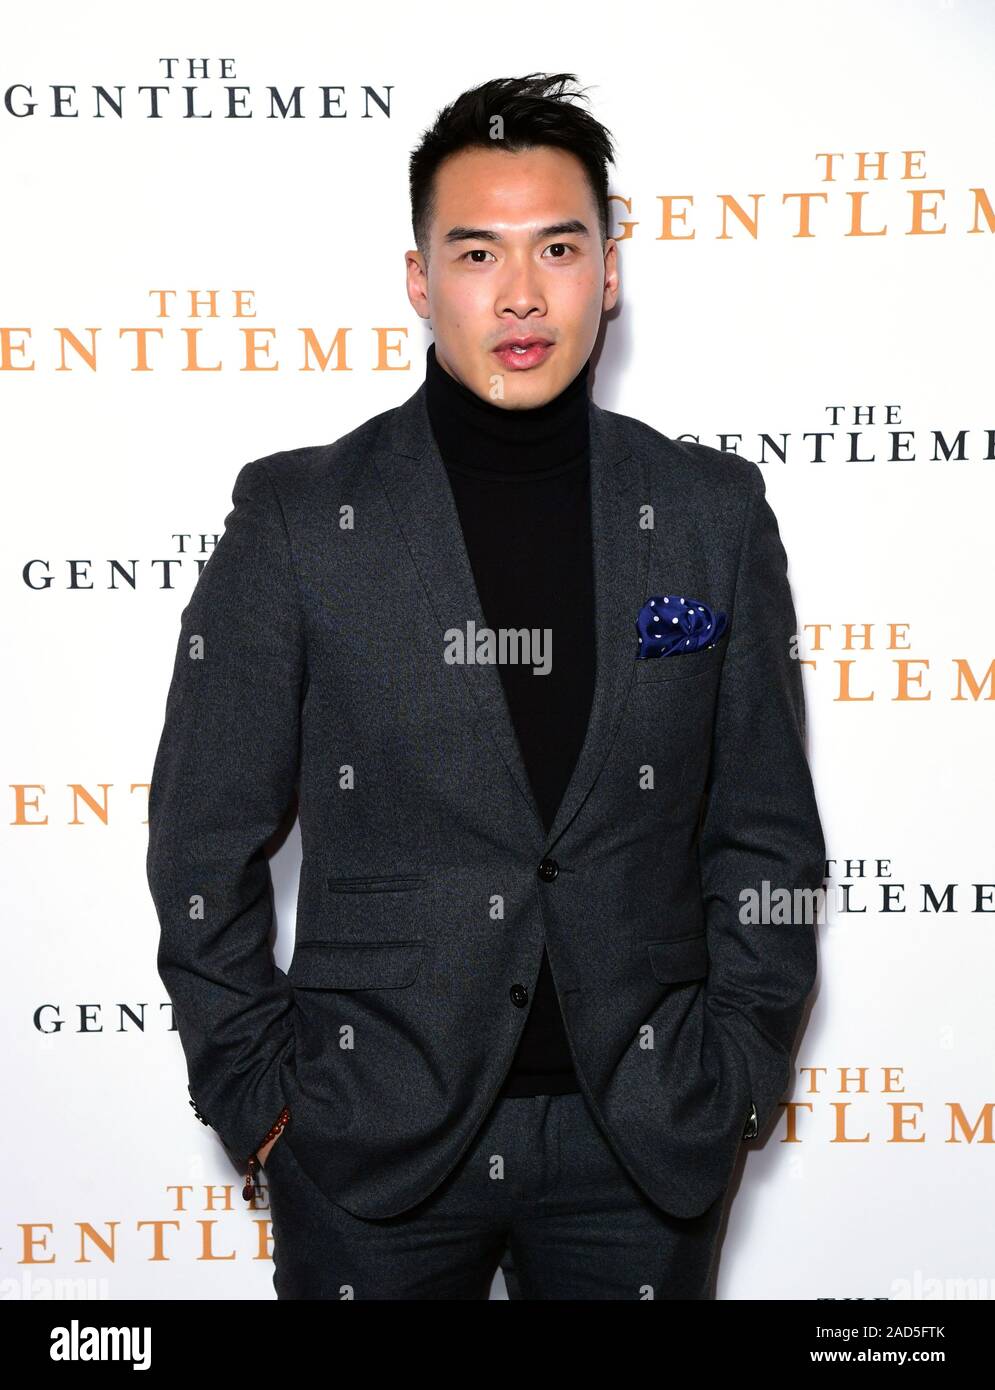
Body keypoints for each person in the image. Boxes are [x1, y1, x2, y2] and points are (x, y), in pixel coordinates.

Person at [146, 72, 825, 1300]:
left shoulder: (713, 518)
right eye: (476, 253)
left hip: (643, 1144)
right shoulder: (300, 520)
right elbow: (201, 839)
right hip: (368, 1145)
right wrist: (261, 1102)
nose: (520, 294)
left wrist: (736, 1072)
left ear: (608, 272)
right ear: (419, 280)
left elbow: (765, 838)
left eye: (558, 248)